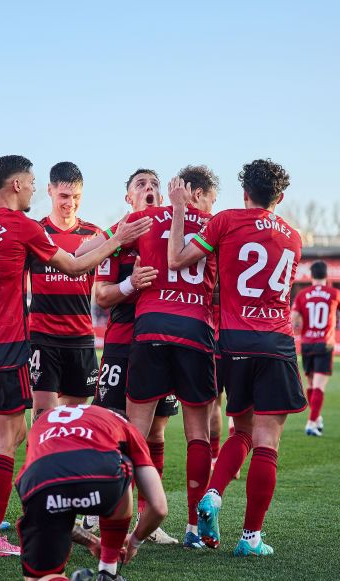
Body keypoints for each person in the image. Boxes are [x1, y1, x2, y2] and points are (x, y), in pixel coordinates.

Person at [0, 155, 151, 558]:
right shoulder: (26, 227)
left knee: (23, 432)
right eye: (37, 183)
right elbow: (74, 264)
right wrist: (118, 241)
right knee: (21, 434)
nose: (42, 191)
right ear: (18, 184)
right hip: (19, 342)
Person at [168, 159, 306, 556]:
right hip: (276, 344)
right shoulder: (294, 238)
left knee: (240, 432)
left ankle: (212, 493)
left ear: (244, 191)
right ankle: (250, 538)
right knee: (267, 442)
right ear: (279, 197)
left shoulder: (226, 220)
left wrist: (179, 208)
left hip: (231, 344)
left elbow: (177, 259)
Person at [105, 165, 219, 549]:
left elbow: (83, 251)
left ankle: (120, 523)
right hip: (196, 332)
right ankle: (194, 528)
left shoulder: (146, 219)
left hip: (150, 329)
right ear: (198, 193)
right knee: (197, 435)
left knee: (135, 434)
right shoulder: (215, 224)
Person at [88, 168, 179, 545]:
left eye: (155, 184)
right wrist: (130, 283)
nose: (150, 189)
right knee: (113, 428)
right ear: (129, 197)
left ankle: (148, 520)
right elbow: (101, 295)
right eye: (141, 184)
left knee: (156, 430)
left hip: (164, 344)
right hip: (124, 343)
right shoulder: (119, 235)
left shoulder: (173, 232)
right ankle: (99, 511)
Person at [16, 403, 167, 581]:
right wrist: (134, 541)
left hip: (40, 483)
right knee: (122, 465)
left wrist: (91, 541)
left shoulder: (43, 421)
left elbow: (44, 516)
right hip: (102, 480)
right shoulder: (124, 425)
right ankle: (108, 570)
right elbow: (159, 507)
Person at [28, 162, 102, 418]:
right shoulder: (35, 232)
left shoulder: (94, 235)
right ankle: (37, 459)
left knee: (73, 418)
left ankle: (68, 459)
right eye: (64, 196)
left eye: (76, 197)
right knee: (43, 417)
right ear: (49, 190)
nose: (70, 203)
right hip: (42, 336)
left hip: (80, 337)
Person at [290, 260, 340, 436]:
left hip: (306, 343)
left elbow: (293, 319)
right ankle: (311, 423)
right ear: (326, 276)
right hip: (324, 343)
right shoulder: (335, 293)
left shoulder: (302, 295)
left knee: (311, 384)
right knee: (319, 385)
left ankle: (316, 418)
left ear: (311, 275)